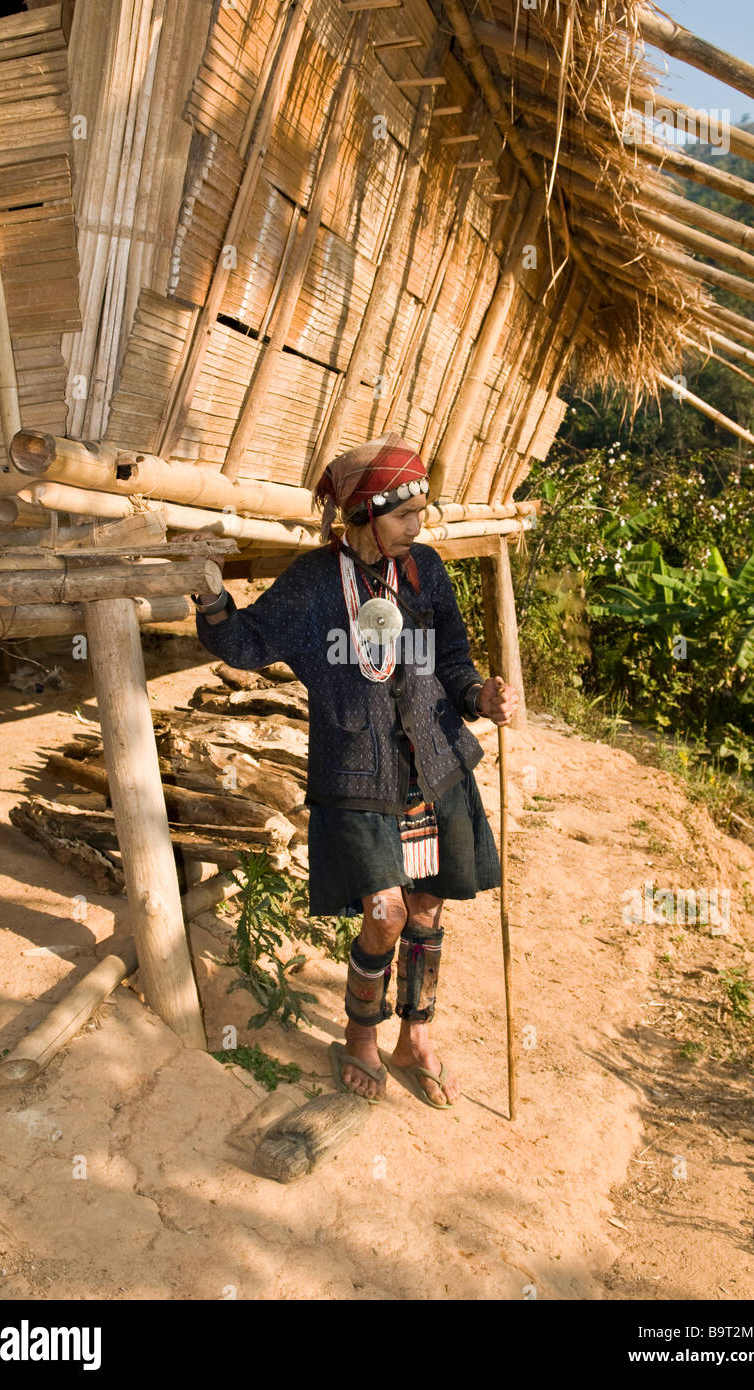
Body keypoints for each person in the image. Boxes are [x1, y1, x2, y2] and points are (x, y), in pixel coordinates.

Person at [185, 432, 518, 1108]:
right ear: (365, 513)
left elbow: (452, 659)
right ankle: (360, 1035)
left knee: (426, 908)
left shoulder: (425, 571)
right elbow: (246, 643)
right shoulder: (314, 584)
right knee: (387, 912)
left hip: (438, 763)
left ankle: (413, 1036)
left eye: (421, 513)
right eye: (403, 515)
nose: (416, 527)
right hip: (357, 773)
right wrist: (210, 598)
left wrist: (479, 695)